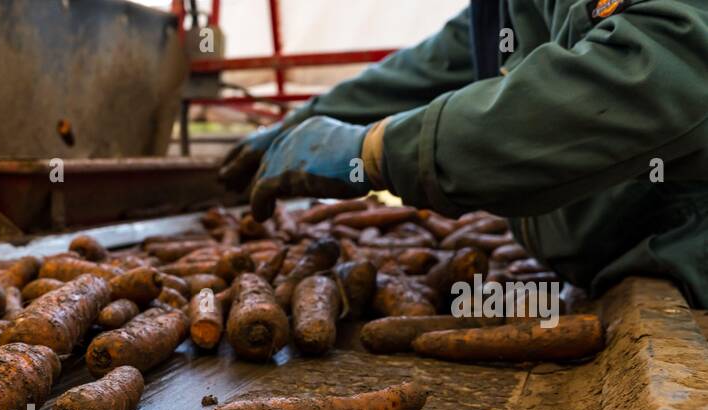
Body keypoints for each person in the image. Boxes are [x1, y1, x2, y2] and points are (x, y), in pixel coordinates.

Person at [219, 0, 708, 307]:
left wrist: (374, 149)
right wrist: (306, 119)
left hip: (692, 276)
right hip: (621, 270)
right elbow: (433, 66)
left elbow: (650, 73)